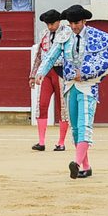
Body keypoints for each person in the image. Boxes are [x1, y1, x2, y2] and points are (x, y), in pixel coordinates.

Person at [33, 5, 108, 179]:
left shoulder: (96, 36)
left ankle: (76, 163)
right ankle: (86, 167)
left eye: (77, 22)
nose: (74, 26)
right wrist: (41, 72)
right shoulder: (66, 36)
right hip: (70, 85)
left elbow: (107, 61)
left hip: (89, 86)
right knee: (77, 128)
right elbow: (52, 55)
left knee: (85, 124)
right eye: (71, 22)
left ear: (84, 21)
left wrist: (86, 73)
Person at [29, 9, 71, 152]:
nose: (50, 27)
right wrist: (33, 75)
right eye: (48, 24)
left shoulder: (68, 32)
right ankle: (41, 142)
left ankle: (61, 142)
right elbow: (39, 56)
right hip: (46, 73)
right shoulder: (44, 34)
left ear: (59, 21)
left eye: (52, 23)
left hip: (62, 72)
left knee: (62, 108)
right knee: (42, 104)